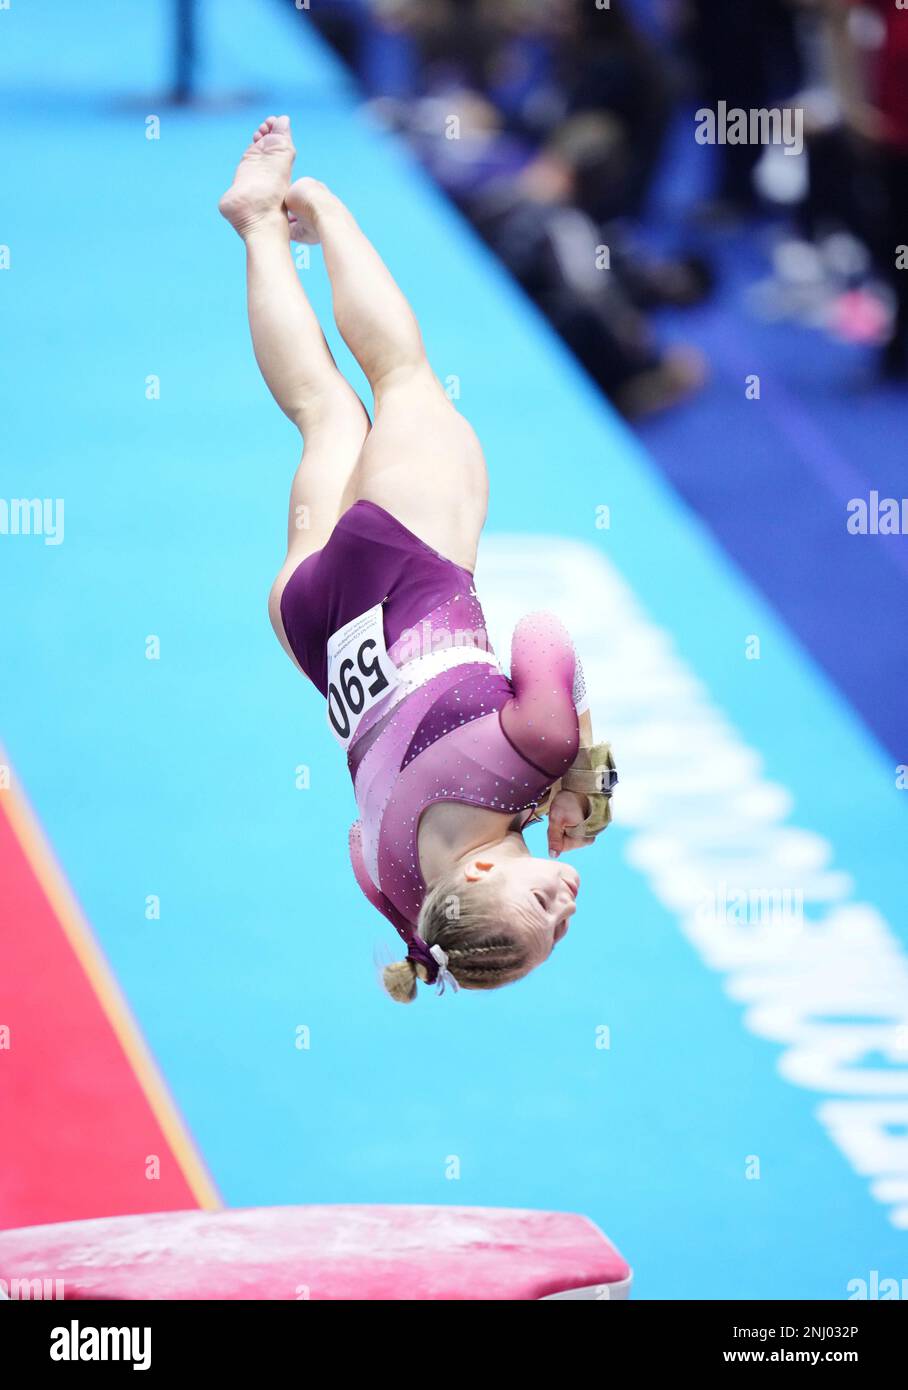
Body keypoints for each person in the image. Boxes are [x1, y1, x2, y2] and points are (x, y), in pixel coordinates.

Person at [218, 115, 616, 1002]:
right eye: (561, 928)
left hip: (408, 561)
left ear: (476, 882)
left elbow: (545, 633)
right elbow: (363, 844)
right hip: (314, 627)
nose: (566, 904)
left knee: (402, 374)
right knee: (324, 412)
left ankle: (314, 205)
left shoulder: (534, 752)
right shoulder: (401, 899)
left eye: (541, 909)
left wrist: (585, 771)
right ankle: (256, 222)